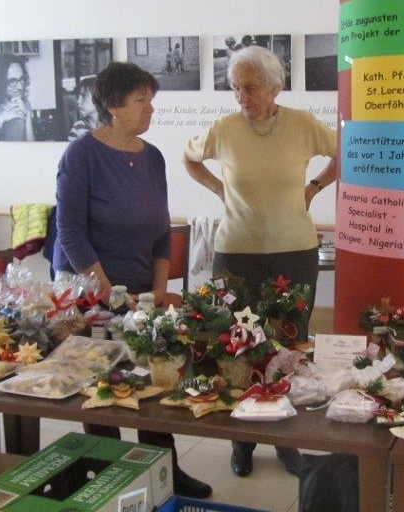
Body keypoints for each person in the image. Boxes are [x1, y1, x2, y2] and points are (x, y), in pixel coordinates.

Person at [53, 61, 212, 498]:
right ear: (112, 106)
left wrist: (160, 291)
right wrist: (109, 294)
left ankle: (166, 473)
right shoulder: (81, 155)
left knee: (153, 382)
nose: (150, 110)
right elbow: (70, 233)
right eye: (141, 101)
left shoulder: (153, 157)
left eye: (151, 101)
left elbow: (162, 230)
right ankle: (105, 478)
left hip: (141, 290)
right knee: (104, 385)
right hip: (91, 290)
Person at [183, 45, 337, 477]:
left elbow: (346, 150)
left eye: (249, 87)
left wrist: (313, 188)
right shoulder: (225, 129)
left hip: (294, 250)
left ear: (274, 87)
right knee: (238, 347)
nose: (241, 97)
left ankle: (287, 440)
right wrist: (219, 190)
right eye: (235, 88)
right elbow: (189, 159)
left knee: (290, 347)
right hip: (237, 253)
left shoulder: (303, 125)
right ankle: (243, 443)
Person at [0, 54, 35, 141]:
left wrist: (28, 118)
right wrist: (0, 120)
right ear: (0, 82)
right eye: (12, 81)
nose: (20, 87)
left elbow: (32, 147)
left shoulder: (25, 102)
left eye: (21, 79)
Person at [68, 76, 97, 141]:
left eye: (84, 96)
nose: (78, 101)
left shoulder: (112, 126)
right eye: (78, 96)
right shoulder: (78, 127)